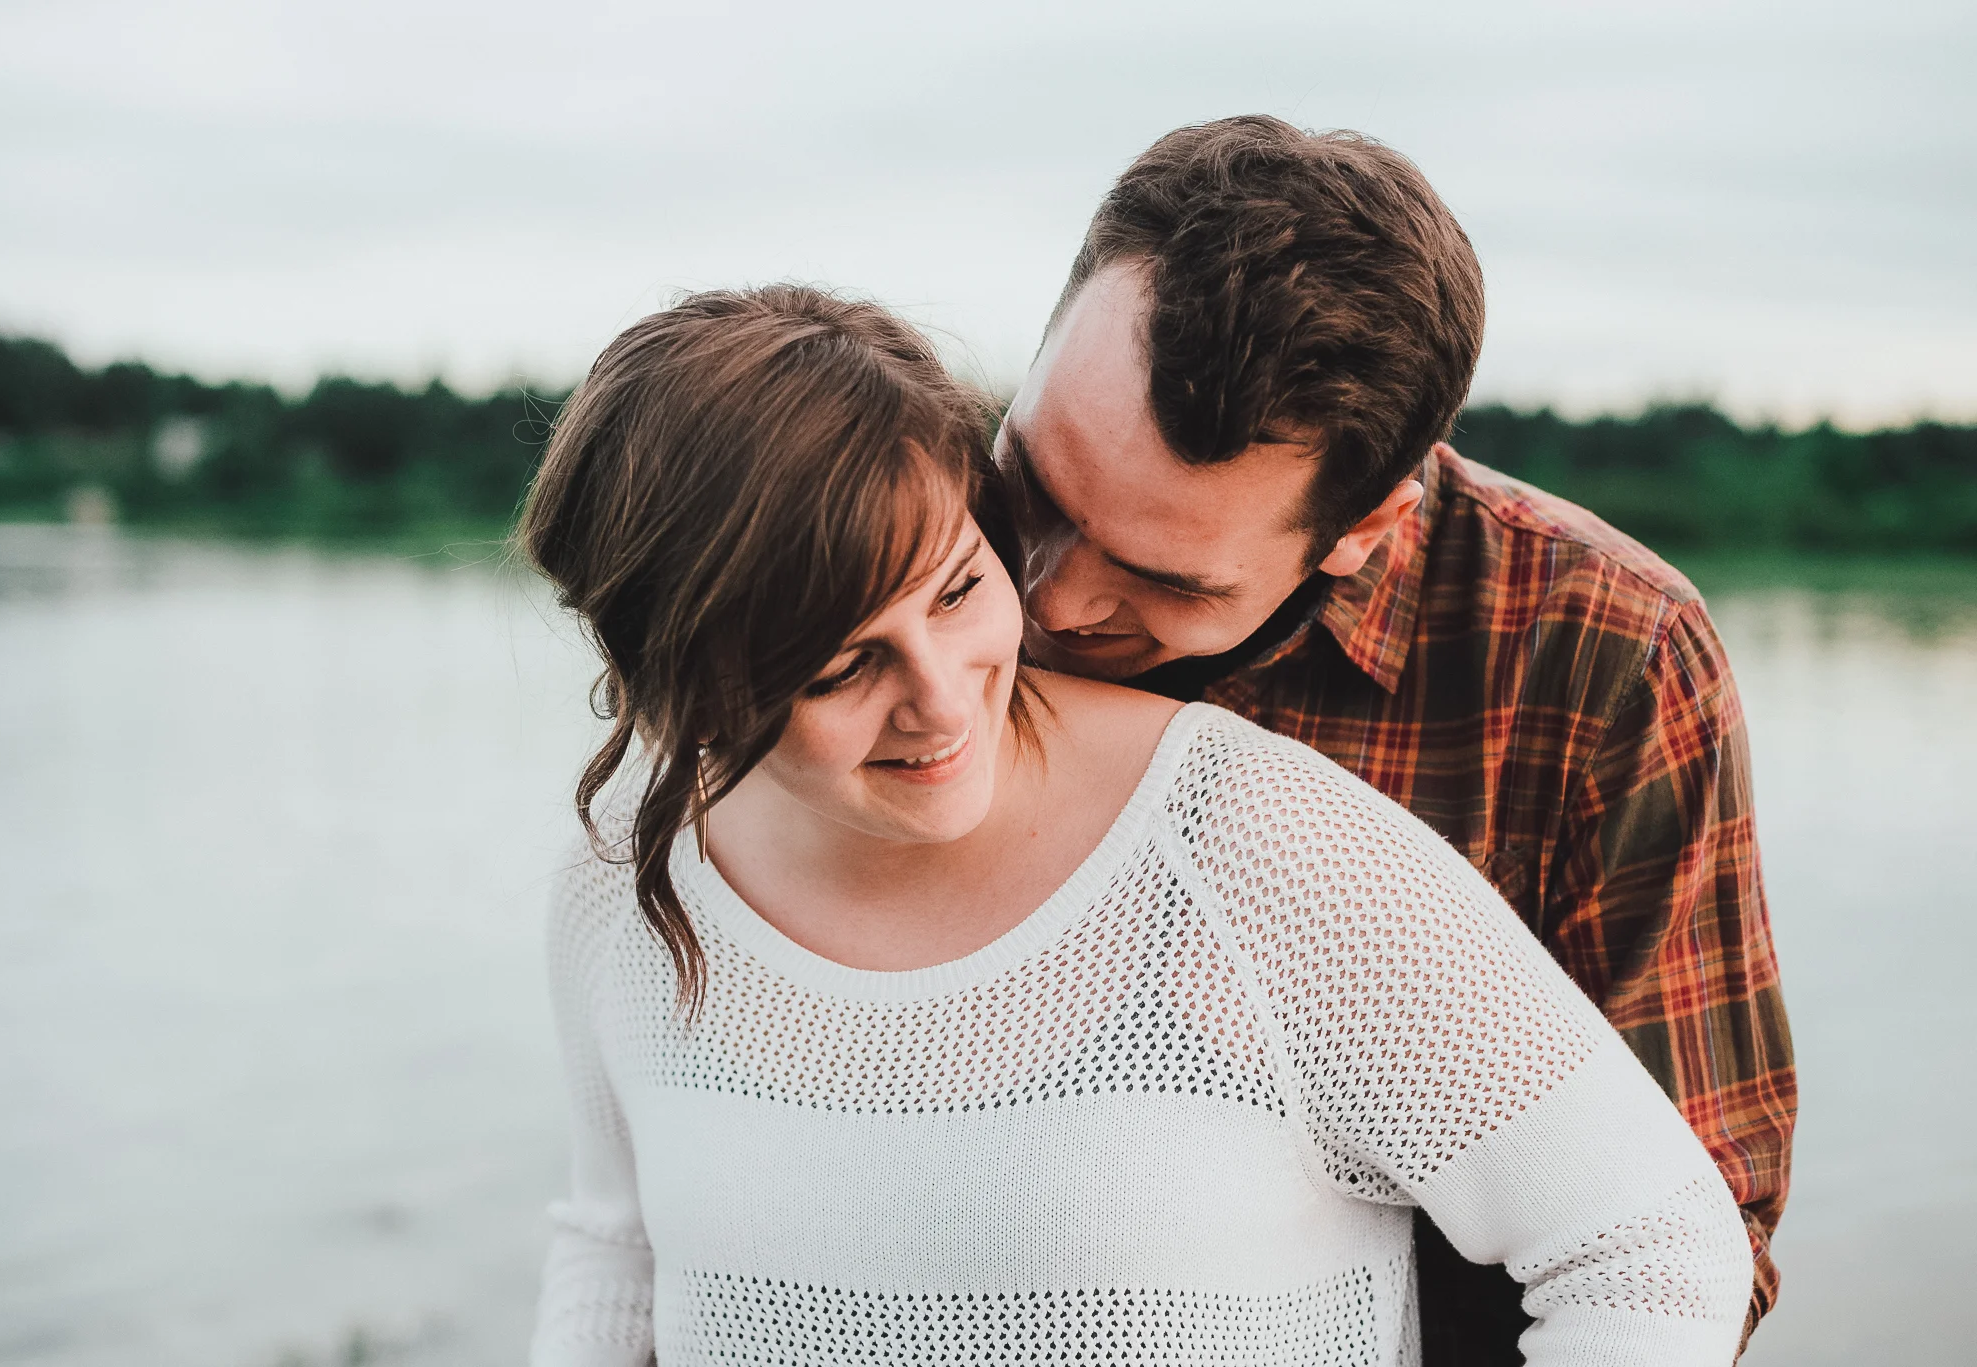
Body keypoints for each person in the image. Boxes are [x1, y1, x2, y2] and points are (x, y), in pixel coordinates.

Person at [518, 283, 1754, 1367]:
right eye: (844, 665)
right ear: (667, 674)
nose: (946, 699)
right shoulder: (618, 870)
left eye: (958, 588)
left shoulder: (1259, 846)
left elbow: (1647, 1244)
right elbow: (614, 1241)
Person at [994, 116, 1795, 1363]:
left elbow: (1686, 1220)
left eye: (1165, 579)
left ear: (1363, 526)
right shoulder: (891, 538)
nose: (1042, 599)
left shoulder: (1598, 652)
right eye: (1033, 484)